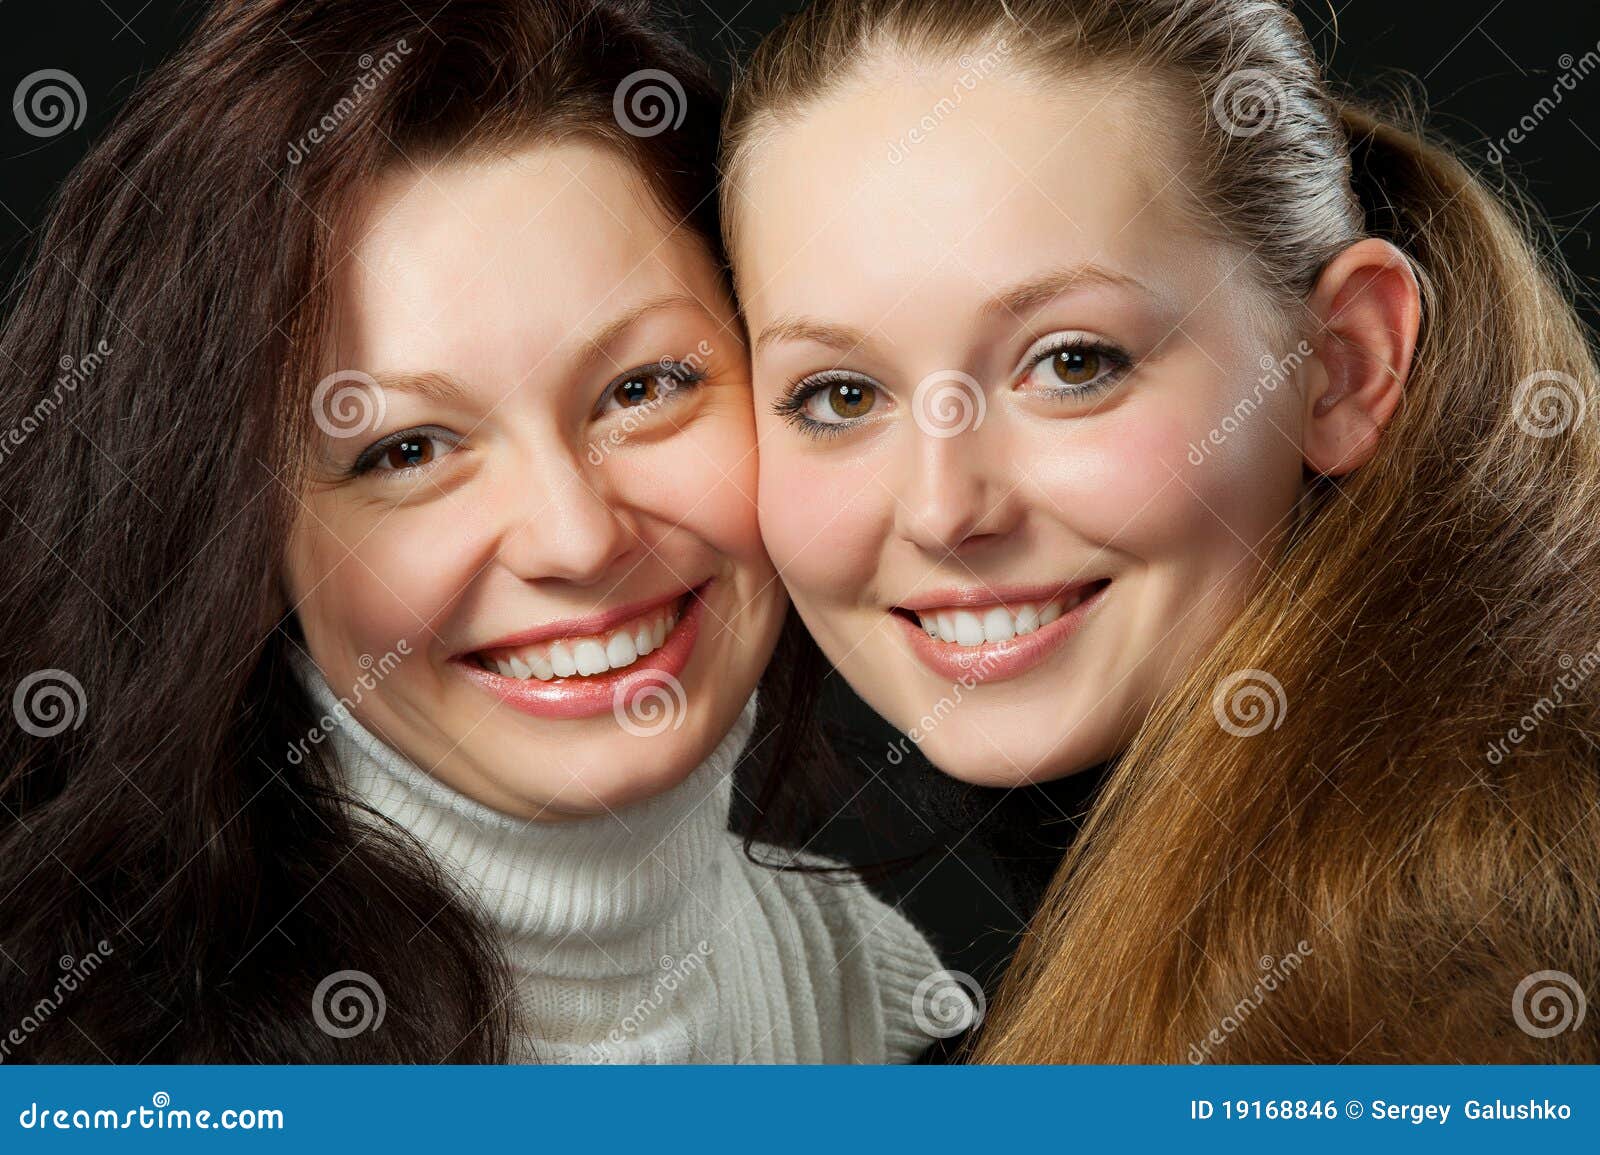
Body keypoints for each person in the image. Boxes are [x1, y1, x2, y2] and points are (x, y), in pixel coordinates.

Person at [0, 0, 957, 1064]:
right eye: (408, 450)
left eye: (643, 387)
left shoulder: (875, 999)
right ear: (245, 546)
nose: (576, 540)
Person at [724, 0, 1600, 1061]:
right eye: (842, 395)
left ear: (1342, 367)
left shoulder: (1458, 1001)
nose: (944, 511)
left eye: (1072, 363)